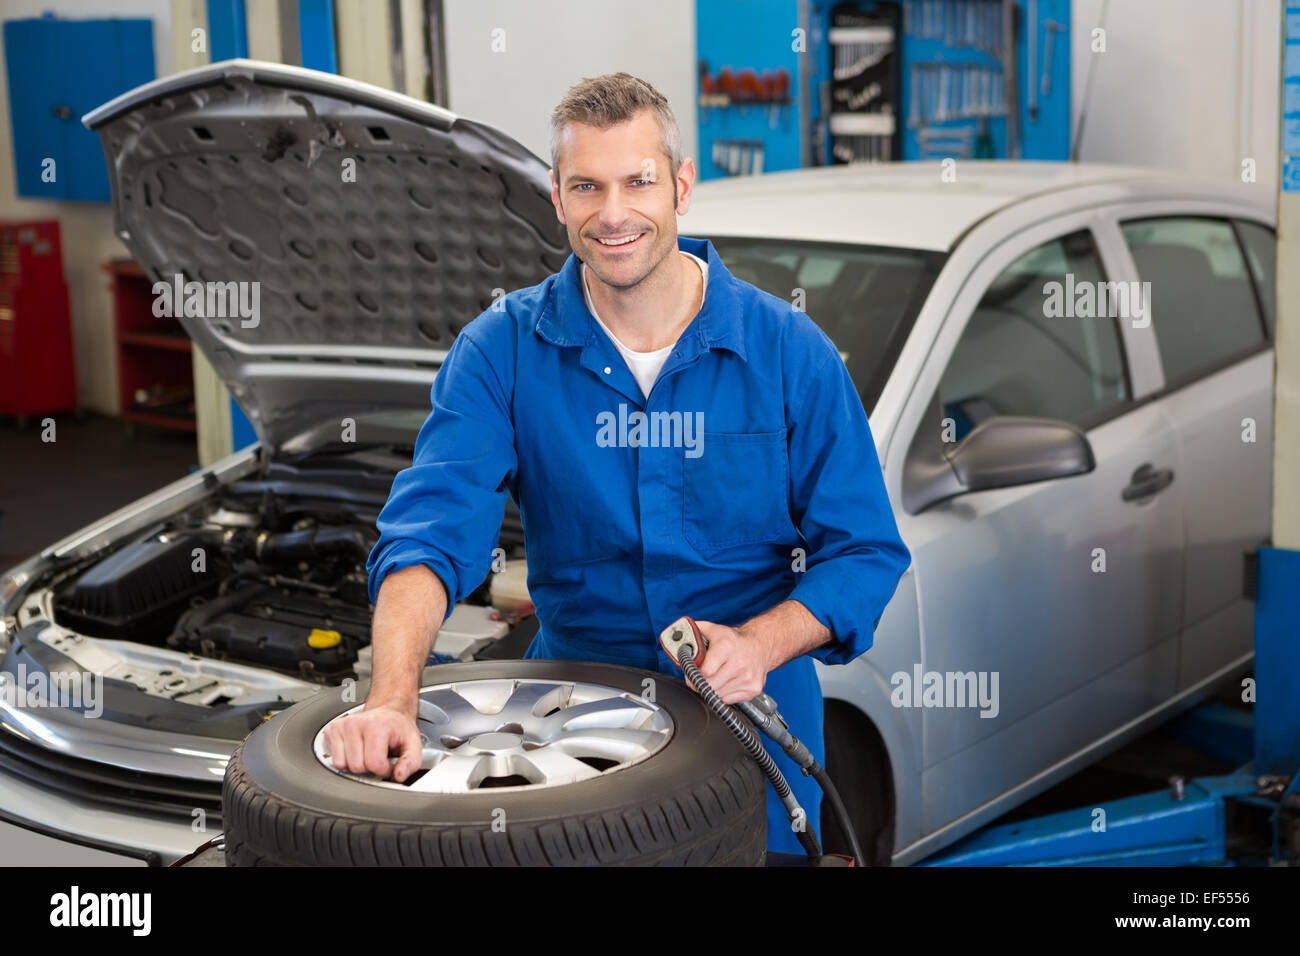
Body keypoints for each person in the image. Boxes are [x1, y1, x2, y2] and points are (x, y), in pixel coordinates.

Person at [323, 72, 911, 857]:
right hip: (567, 744)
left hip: (753, 742)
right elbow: (428, 533)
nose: (613, 213)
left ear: (681, 186)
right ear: (558, 200)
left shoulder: (788, 352)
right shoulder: (501, 351)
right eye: (586, 187)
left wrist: (760, 645)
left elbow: (865, 551)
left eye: (637, 181)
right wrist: (393, 698)